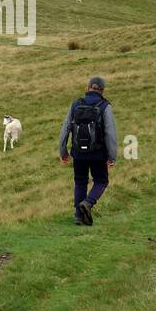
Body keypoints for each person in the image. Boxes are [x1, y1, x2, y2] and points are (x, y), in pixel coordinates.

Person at [57, 75, 117, 226]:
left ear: (88, 87)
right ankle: (88, 203)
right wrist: (112, 156)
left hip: (78, 153)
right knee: (101, 181)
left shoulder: (76, 104)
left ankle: (78, 216)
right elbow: (110, 133)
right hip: (98, 154)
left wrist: (63, 152)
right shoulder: (105, 107)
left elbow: (65, 129)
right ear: (102, 91)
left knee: (80, 182)